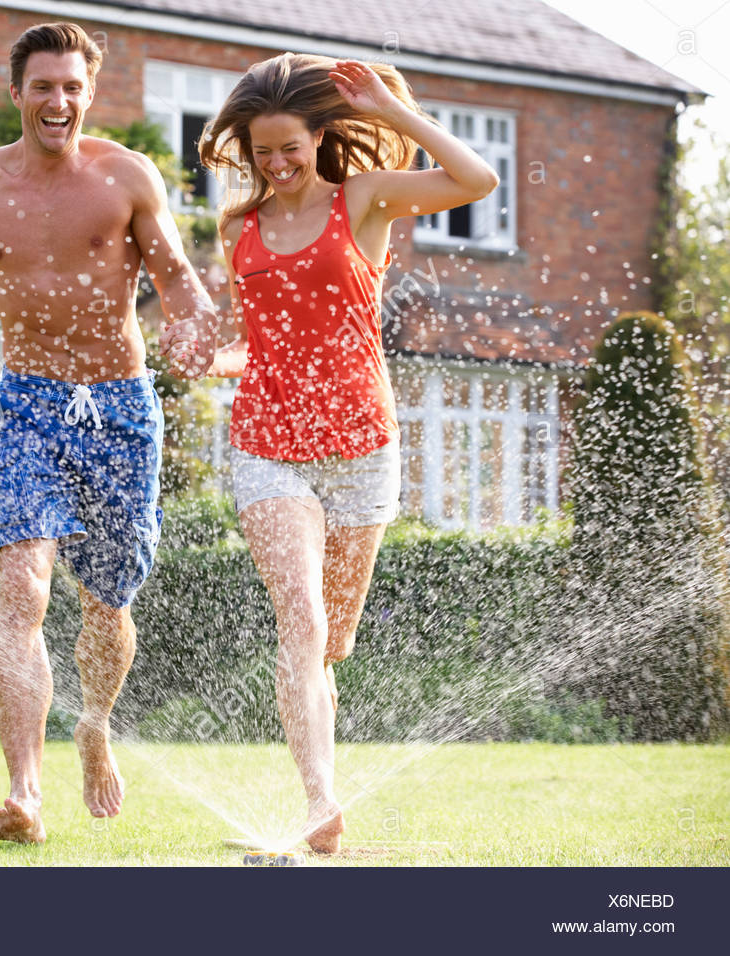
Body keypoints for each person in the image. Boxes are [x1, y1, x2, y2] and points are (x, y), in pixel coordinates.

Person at [0, 22, 219, 844]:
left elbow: (173, 274)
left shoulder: (127, 175)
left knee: (107, 604)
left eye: (72, 87)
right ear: (16, 92)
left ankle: (94, 723)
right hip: (29, 405)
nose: (58, 101)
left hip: (121, 406)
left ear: (88, 94)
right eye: (43, 86)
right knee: (24, 590)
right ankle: (26, 793)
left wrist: (195, 320)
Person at [182, 54, 498, 853]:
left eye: (291, 148)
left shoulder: (365, 200)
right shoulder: (237, 229)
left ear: (319, 138)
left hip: (361, 446)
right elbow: (259, 343)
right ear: (246, 153)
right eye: (262, 153)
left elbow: (477, 179)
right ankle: (320, 804)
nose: (278, 165)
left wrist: (392, 112)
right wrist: (205, 358)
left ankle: (320, 780)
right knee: (302, 620)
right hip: (268, 443)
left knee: (334, 642)